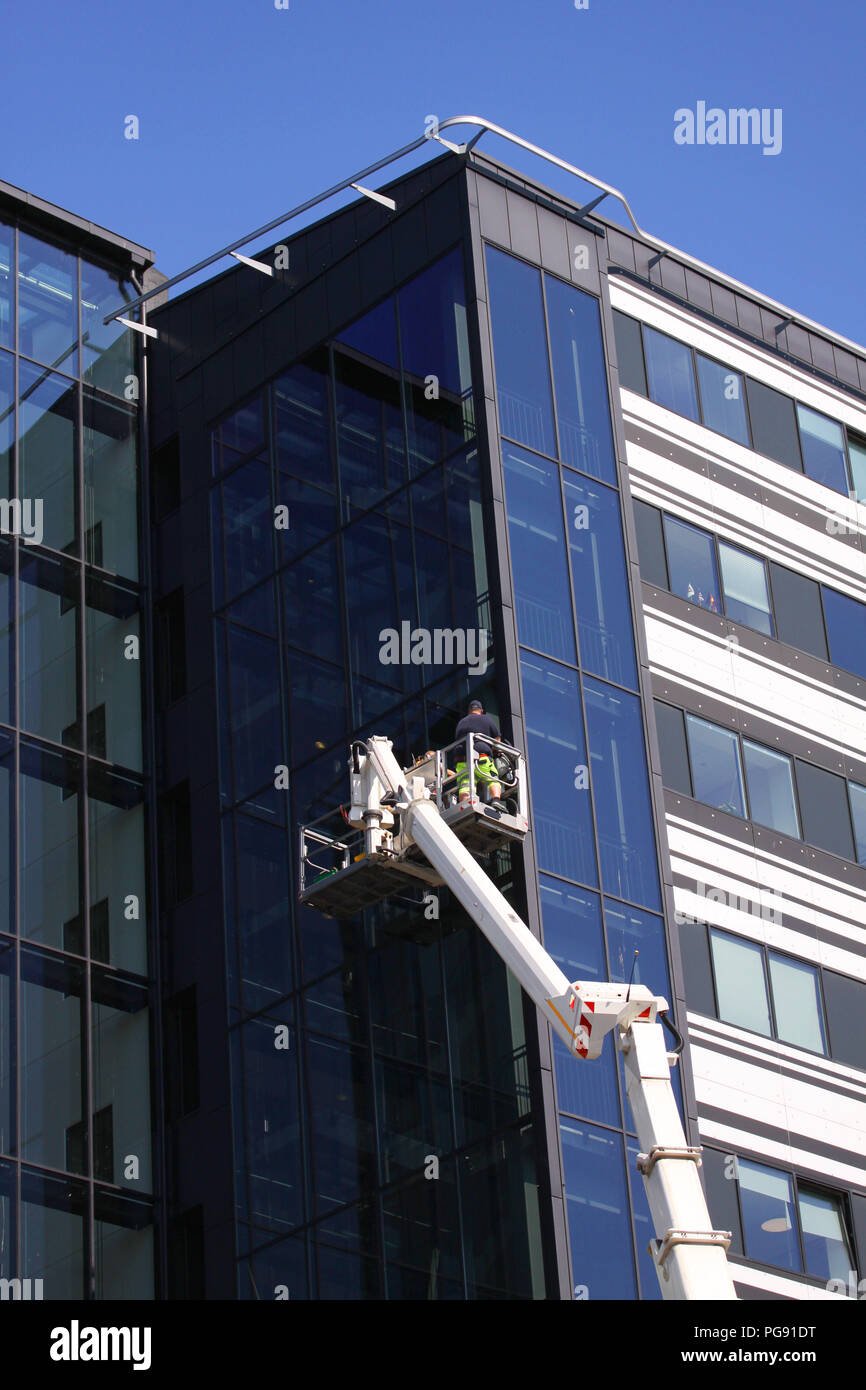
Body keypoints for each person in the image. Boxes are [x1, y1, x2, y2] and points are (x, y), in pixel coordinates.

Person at [454, 700, 502, 804]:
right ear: (481, 711)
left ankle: (465, 804)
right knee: (492, 779)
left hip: (462, 759)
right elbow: (497, 739)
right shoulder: (486, 719)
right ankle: (496, 801)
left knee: (465, 785)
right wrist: (495, 751)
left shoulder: (462, 722)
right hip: (481, 756)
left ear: (469, 711)